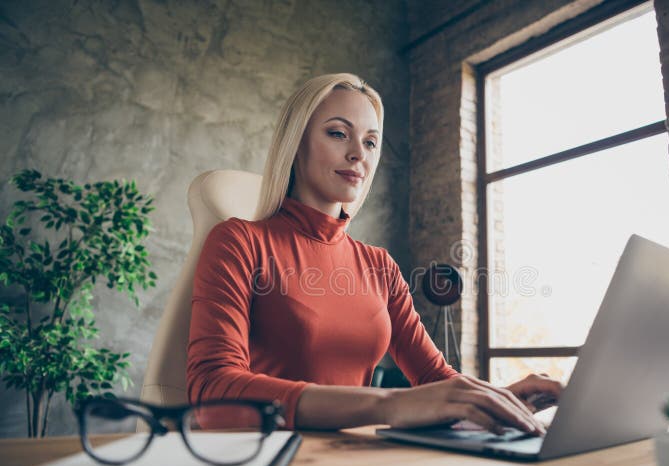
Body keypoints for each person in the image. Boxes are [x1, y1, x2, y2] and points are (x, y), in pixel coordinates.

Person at [186, 73, 561, 435]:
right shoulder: (239, 242)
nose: (357, 155)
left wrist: (502, 399)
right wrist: (387, 404)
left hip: (354, 458)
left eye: (369, 142)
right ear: (295, 143)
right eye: (338, 134)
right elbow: (212, 391)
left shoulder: (379, 265)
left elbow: (435, 379)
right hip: (270, 464)